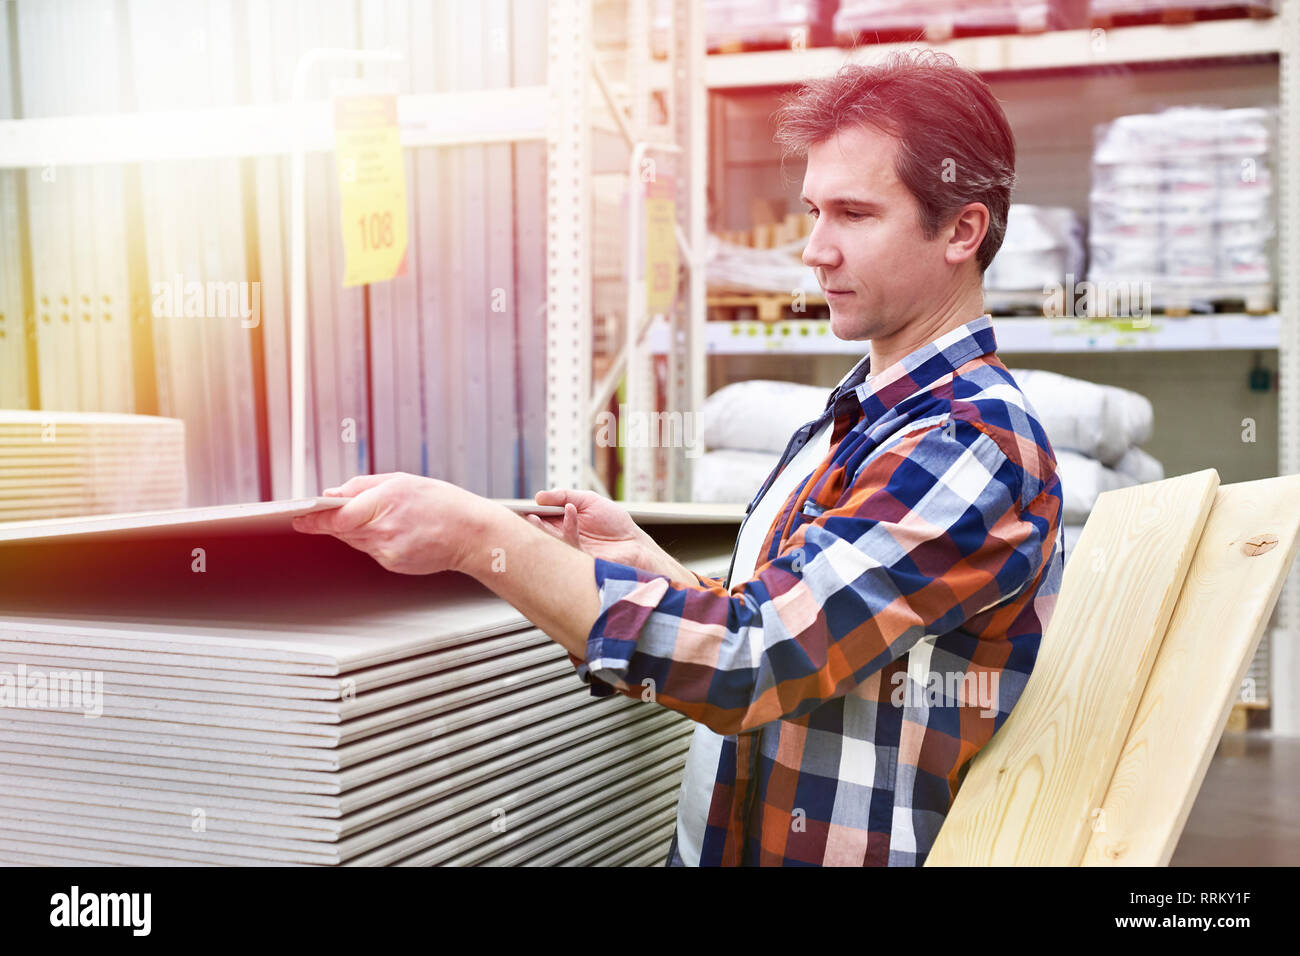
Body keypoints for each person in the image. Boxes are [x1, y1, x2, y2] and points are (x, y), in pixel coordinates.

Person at [293, 48, 1064, 867]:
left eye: (855, 215)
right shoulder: (869, 415)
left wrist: (479, 540)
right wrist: (653, 570)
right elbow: (810, 622)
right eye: (812, 211)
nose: (815, 249)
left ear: (963, 230)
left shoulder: (966, 444)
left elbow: (755, 660)